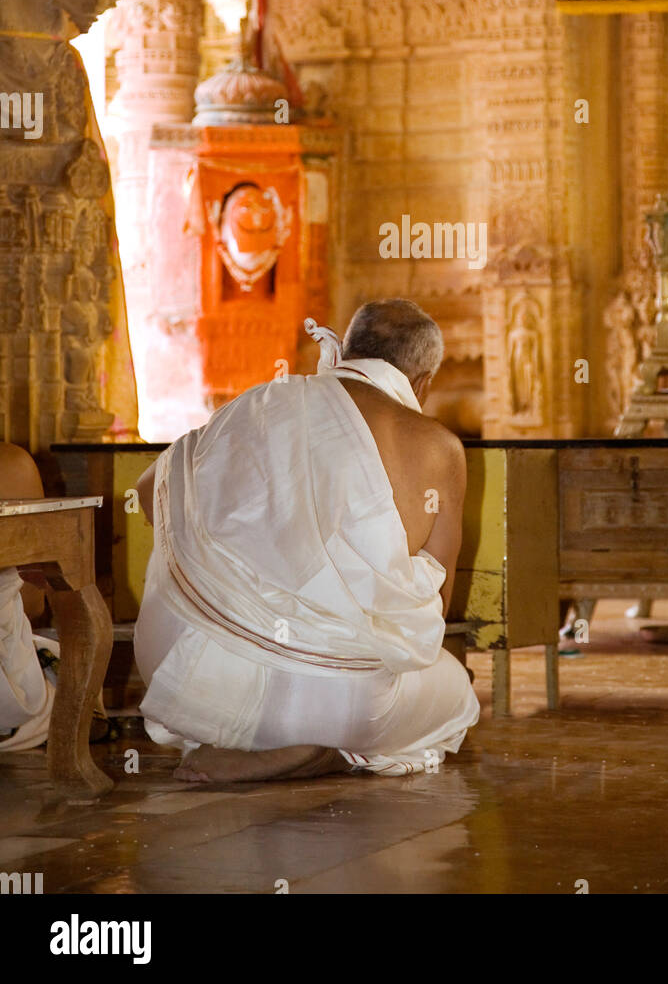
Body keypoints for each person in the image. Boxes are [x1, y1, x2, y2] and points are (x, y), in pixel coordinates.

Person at [134, 298, 479, 783]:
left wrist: (234, 560)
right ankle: (323, 753)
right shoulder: (438, 446)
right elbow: (435, 612)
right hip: (337, 700)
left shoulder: (260, 402)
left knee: (276, 671)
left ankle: (250, 740)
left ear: (347, 350)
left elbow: (150, 491)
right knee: (456, 696)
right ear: (423, 381)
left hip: (184, 678)